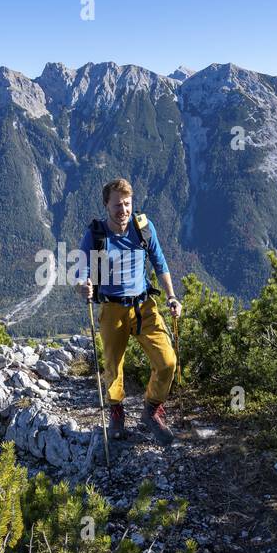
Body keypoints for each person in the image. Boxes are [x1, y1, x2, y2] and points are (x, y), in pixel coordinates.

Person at [75, 177, 181, 445]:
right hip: (112, 308)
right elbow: (81, 270)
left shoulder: (143, 228)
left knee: (167, 361)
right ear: (106, 206)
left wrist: (171, 296)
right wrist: (82, 286)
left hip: (144, 305)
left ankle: (152, 409)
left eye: (127, 204)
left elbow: (160, 263)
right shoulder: (96, 235)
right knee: (113, 366)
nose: (123, 210)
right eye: (117, 205)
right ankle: (116, 412)